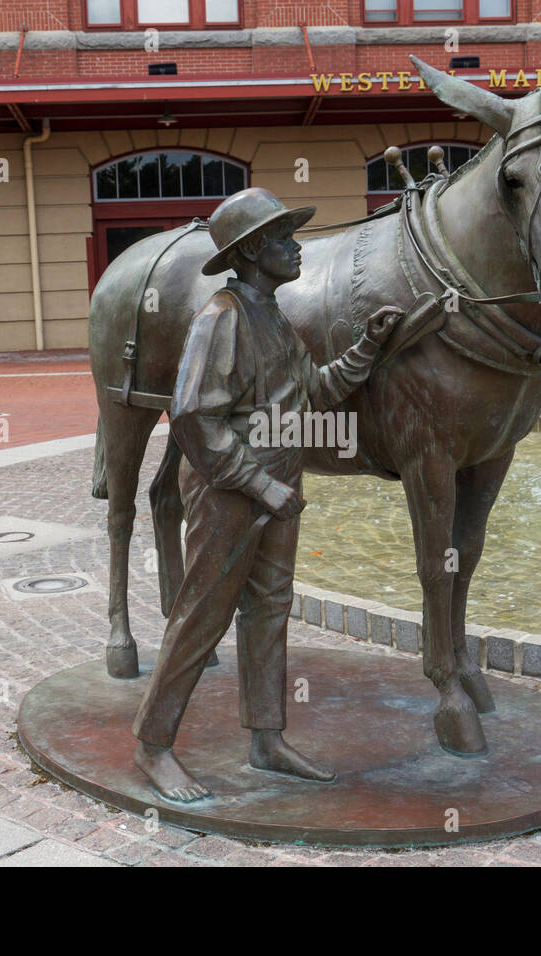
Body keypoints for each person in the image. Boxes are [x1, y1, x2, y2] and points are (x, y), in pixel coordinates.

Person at [132, 187, 401, 802]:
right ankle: (153, 745)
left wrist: (369, 346)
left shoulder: (273, 317)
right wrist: (260, 485)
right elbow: (195, 418)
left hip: (279, 486)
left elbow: (316, 392)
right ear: (252, 252)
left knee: (270, 610)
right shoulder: (220, 317)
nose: (295, 247)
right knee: (202, 613)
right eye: (282, 238)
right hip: (232, 489)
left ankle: (267, 738)